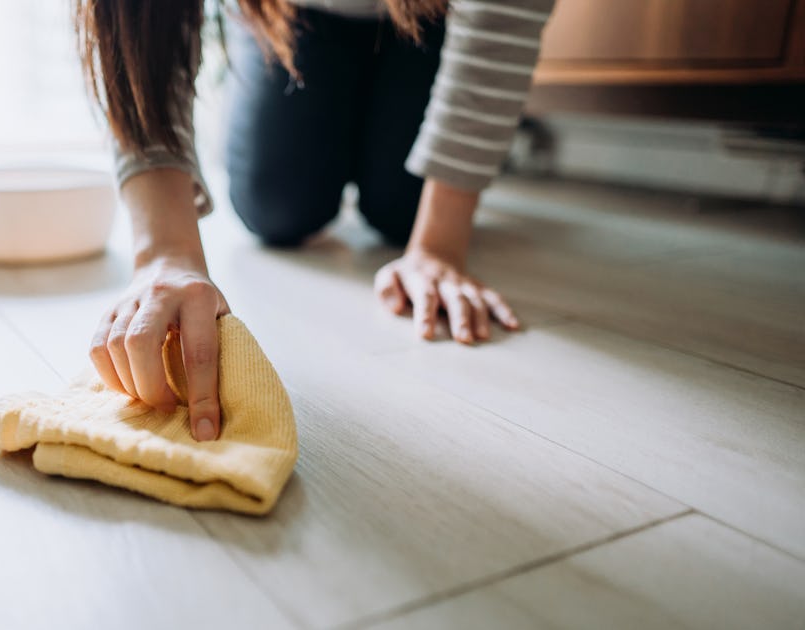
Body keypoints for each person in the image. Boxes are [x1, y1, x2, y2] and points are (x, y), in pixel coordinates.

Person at [74, 0, 554, 441]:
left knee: (400, 210)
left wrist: (438, 246)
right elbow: (137, 22)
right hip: (297, 11)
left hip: (433, 15)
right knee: (277, 208)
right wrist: (164, 252)